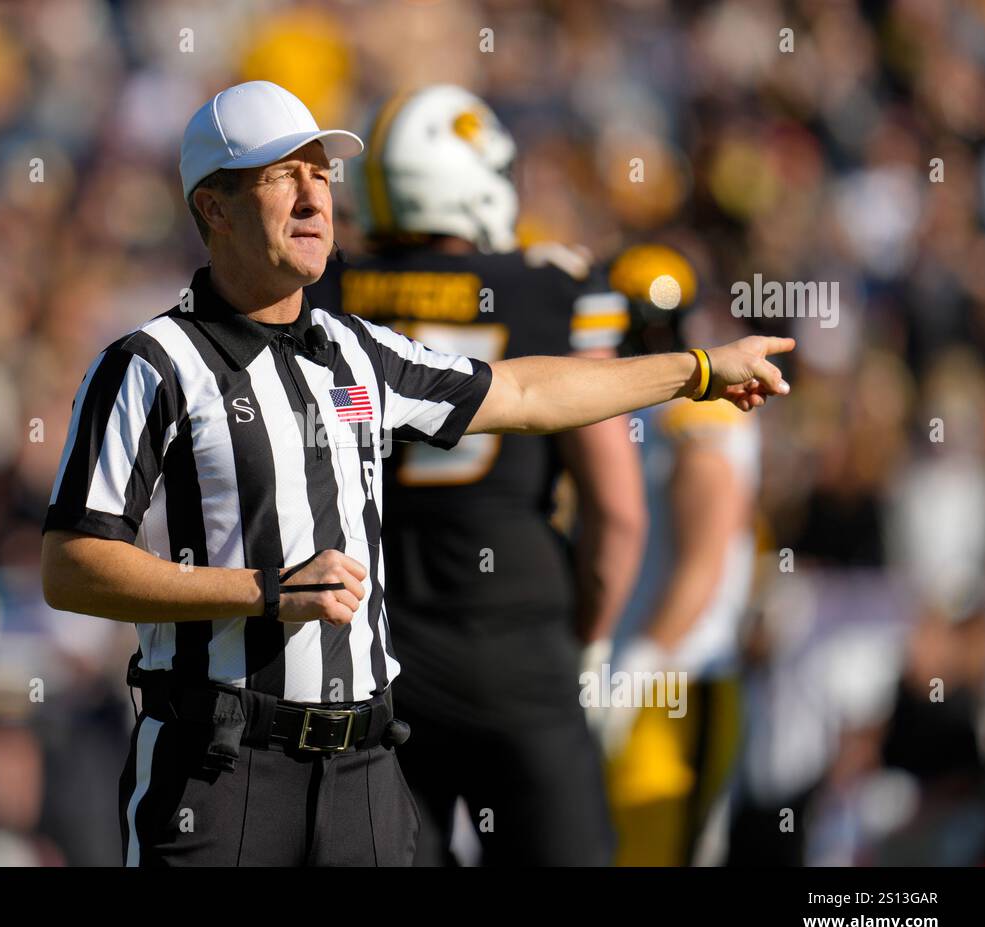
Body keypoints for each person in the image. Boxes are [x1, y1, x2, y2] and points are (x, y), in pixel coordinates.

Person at [40, 80, 794, 867]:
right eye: (278, 176)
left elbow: (530, 394)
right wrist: (261, 591)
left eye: (320, 174)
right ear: (213, 209)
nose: (311, 198)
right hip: (219, 759)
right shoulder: (149, 364)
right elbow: (71, 568)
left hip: (365, 767)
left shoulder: (358, 348)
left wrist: (699, 368)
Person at [309, 84, 645, 865]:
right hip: (517, 646)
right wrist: (585, 641)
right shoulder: (554, 290)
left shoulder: (324, 293)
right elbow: (619, 513)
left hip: (369, 654)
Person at [592, 244, 758, 866]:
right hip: (637, 671)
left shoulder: (701, 412)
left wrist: (636, 668)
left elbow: (703, 563)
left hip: (678, 679)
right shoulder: (645, 408)